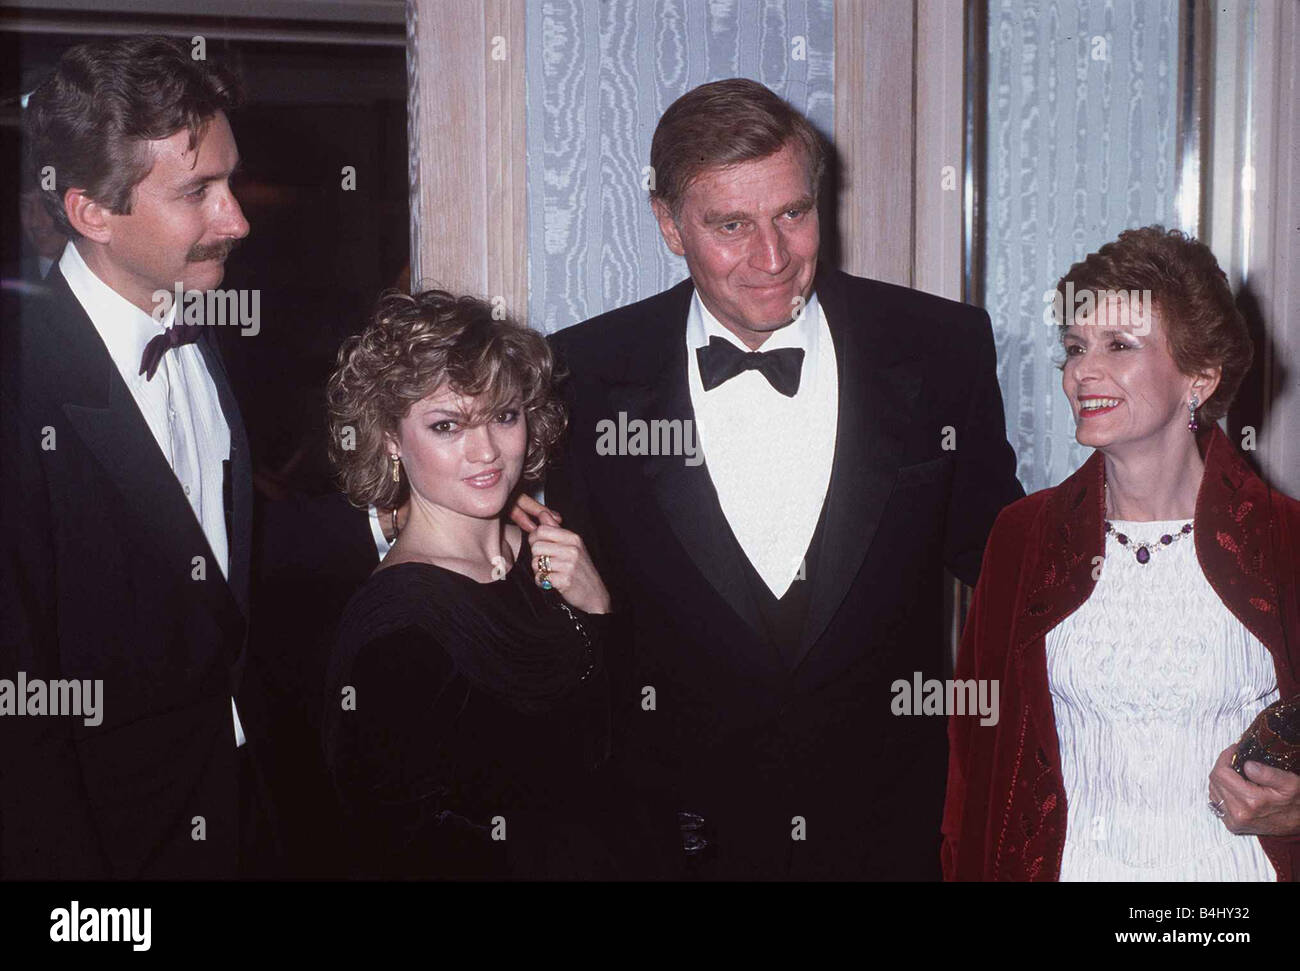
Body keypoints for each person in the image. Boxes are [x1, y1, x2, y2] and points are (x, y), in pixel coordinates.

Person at [530, 78, 1024, 879]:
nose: (772, 258)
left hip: (891, 837)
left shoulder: (941, 348)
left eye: (793, 214)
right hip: (674, 840)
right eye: (731, 225)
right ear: (668, 225)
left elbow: (1011, 571)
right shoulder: (580, 373)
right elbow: (571, 622)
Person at [942, 226, 1300, 881]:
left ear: (1199, 376)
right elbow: (974, 761)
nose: (1084, 370)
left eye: (1119, 345)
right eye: (1075, 347)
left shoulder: (1285, 540)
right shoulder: (1022, 537)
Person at [1, 36, 268, 878]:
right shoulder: (20, 389)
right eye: (199, 191)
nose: (238, 218)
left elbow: (210, 561)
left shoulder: (197, 320)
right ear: (90, 213)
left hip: (245, 808)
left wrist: (388, 519)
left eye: (229, 179)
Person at [322, 289, 647, 879]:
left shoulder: (556, 559)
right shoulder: (397, 634)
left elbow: (628, 754)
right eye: (447, 425)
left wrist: (600, 611)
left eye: (504, 415)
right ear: (392, 439)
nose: (487, 452)